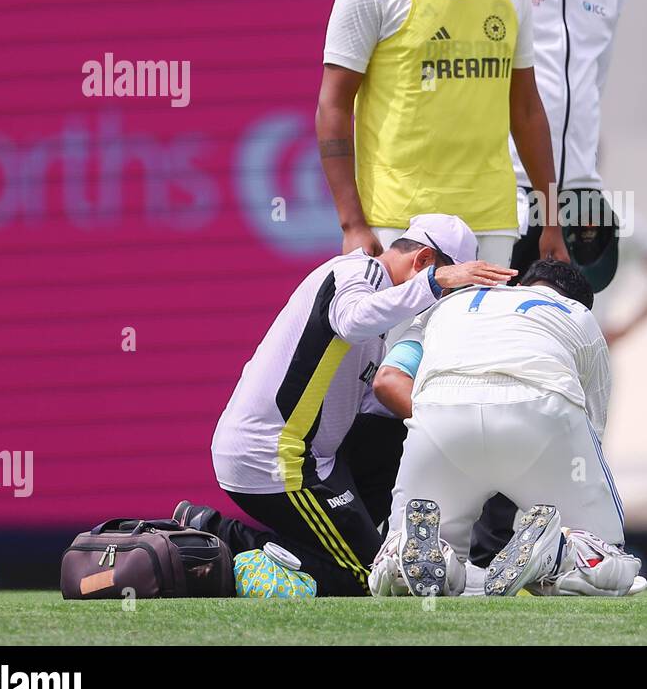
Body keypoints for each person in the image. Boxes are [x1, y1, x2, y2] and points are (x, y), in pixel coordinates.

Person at [173, 215, 515, 596]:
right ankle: (217, 531)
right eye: (452, 286)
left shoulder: (378, 306)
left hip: (312, 459)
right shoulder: (359, 270)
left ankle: (343, 540)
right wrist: (436, 283)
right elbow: (352, 320)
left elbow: (372, 406)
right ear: (422, 261)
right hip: (276, 459)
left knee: (396, 438)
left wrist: (456, 418)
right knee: (367, 580)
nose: (440, 300)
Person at [316, 0, 567, 266]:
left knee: (486, 335)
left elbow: (525, 110)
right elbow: (333, 106)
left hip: (491, 217)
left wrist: (552, 220)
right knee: (409, 336)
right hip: (402, 220)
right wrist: (352, 224)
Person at [365, 259, 642, 597]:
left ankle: (427, 563)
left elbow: (390, 376)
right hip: (539, 413)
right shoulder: (578, 315)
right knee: (608, 562)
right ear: (577, 300)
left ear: (521, 283)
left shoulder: (449, 303)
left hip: (440, 416)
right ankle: (558, 556)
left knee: (399, 565)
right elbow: (593, 427)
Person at [481, 0, 644, 275]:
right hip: (502, 190)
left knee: (565, 341)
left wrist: (585, 185)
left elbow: (591, 86)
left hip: (577, 199)